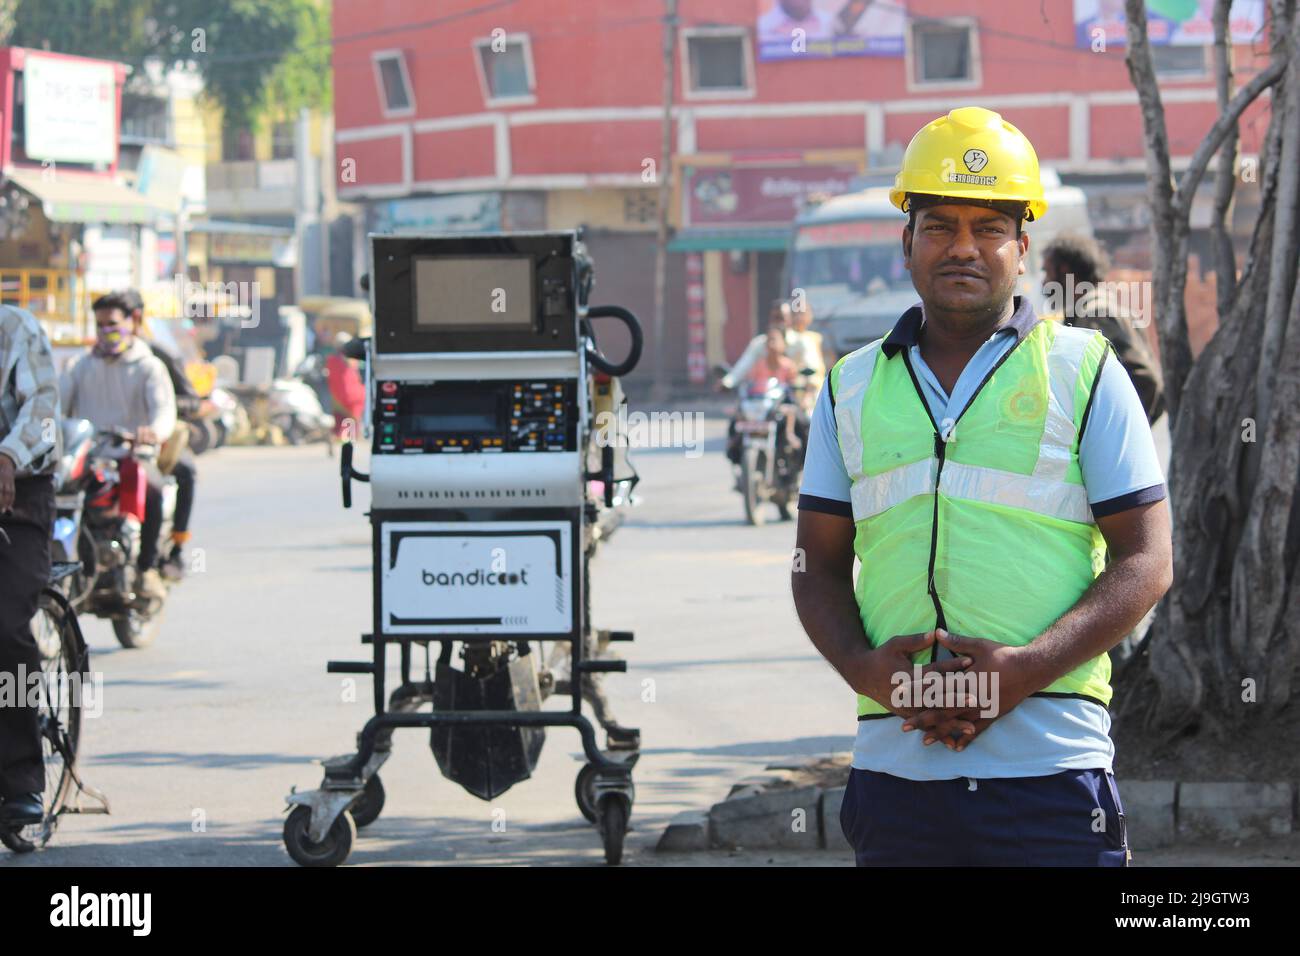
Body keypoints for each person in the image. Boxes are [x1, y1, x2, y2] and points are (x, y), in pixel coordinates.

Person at [793, 107, 1173, 866]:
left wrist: (1020, 675)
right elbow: (817, 568)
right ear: (906, 243)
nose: (963, 247)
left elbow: (1146, 562)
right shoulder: (848, 387)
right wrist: (870, 672)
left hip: (1051, 774)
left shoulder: (1086, 370)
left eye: (988, 228)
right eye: (939, 226)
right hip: (896, 776)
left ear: (1021, 247)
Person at [62, 292, 177, 601]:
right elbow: (57, 409)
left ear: (132, 322)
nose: (105, 331)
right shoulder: (79, 365)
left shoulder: (148, 367)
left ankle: (146, 569)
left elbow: (165, 412)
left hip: (130, 456)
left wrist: (152, 432)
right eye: (99, 324)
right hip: (87, 458)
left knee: (151, 487)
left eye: (112, 323)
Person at [0, 304, 60, 827]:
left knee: (5, 629)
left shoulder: (15, 328)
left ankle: (22, 776)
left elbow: (42, 409)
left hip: (17, 494)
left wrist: (7, 457)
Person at [1041, 233, 1166, 424]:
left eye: (1047, 272)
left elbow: (1146, 380)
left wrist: (1116, 436)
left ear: (1065, 271)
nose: (1044, 282)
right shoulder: (1095, 308)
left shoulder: (1095, 313)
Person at [120, 289, 199, 579]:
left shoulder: (156, 358)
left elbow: (191, 399)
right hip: (112, 444)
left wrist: (160, 410)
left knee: (187, 471)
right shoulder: (96, 361)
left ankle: (174, 549)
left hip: (156, 443)